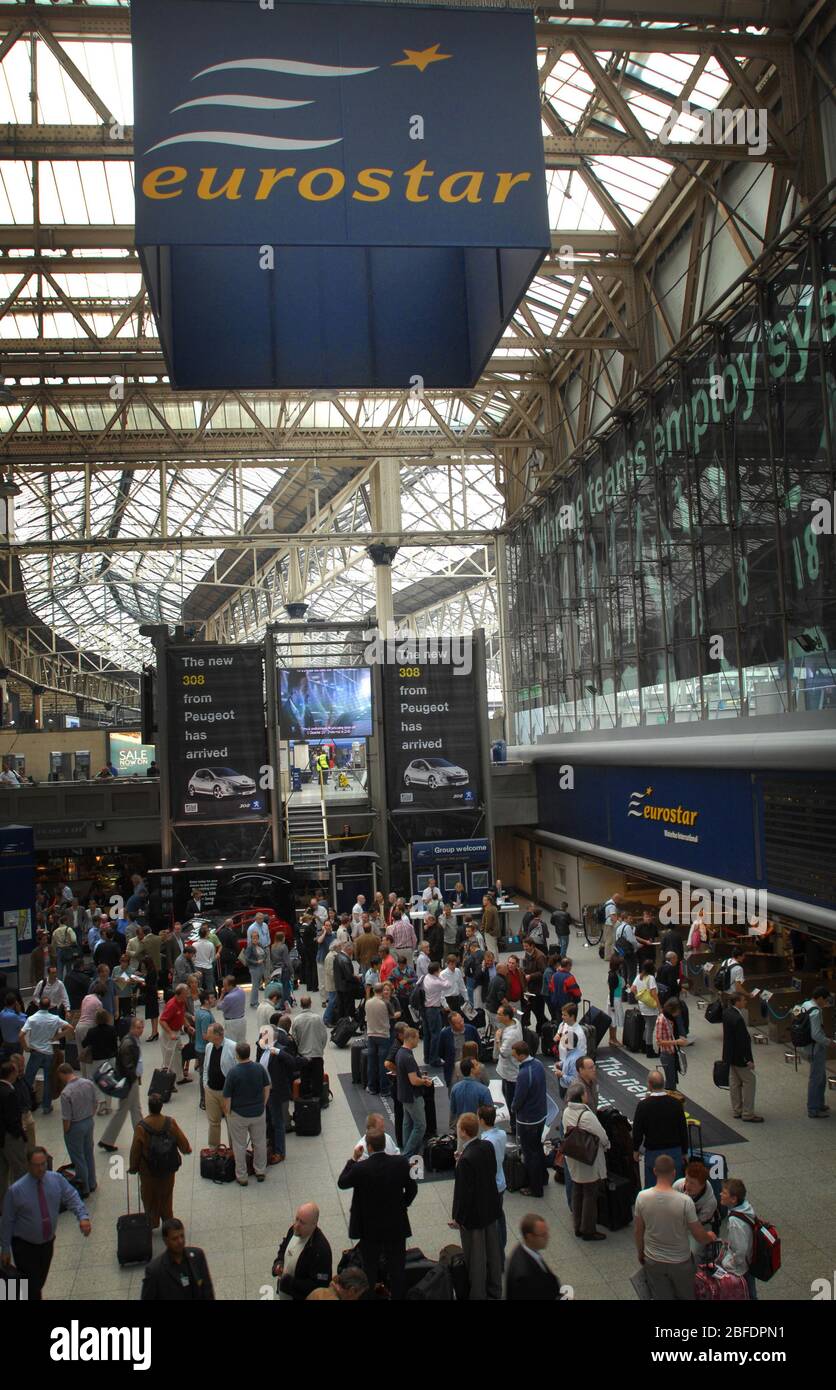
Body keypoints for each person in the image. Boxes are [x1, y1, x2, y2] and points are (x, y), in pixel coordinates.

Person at [0, 1146, 91, 1299]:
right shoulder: (16, 1191)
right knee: (33, 1286)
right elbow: (7, 1220)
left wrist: (83, 1217)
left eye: (43, 1164)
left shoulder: (56, 1179)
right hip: (24, 1245)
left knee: (38, 1282)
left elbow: (72, 1196)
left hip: (47, 1243)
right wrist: (5, 1248)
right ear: (28, 1165)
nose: (41, 1168)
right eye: (36, 1165)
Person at [337, 1130, 418, 1300]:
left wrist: (353, 1159)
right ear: (385, 1145)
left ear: (369, 1147)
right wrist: (403, 1204)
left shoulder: (360, 1168)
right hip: (396, 1227)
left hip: (369, 1230)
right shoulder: (400, 1163)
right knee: (397, 1270)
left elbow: (342, 1182)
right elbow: (412, 1188)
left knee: (369, 1272)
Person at [634, 1153, 714, 1299]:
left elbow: (638, 1231)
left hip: (653, 1260)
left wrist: (641, 1253)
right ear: (674, 1172)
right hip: (680, 1262)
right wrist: (709, 1236)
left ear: (654, 1171)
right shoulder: (685, 1202)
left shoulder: (642, 1197)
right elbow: (697, 1235)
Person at [451, 1112, 502, 1300]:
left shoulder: (465, 1161)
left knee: (476, 1259)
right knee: (493, 1253)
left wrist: (458, 1218)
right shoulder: (487, 1146)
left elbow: (463, 1194)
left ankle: (478, 1295)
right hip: (491, 1207)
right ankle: (495, 1290)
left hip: (474, 1217)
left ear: (464, 1132)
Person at [129, 1091, 191, 1229]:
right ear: (161, 1106)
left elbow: (135, 1150)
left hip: (148, 1171)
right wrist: (186, 1149)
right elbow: (183, 1143)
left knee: (149, 1196)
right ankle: (168, 1220)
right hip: (168, 1168)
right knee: (166, 1195)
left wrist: (133, 1167)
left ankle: (151, 1221)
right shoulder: (170, 1122)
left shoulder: (141, 1127)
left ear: (149, 1107)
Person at [561, 1080, 610, 1240]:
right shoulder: (586, 1115)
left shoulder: (567, 1112)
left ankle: (578, 1225)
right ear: (582, 1097)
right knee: (590, 1193)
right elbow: (601, 1135)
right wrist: (607, 1145)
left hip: (574, 1157)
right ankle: (588, 1229)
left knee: (577, 1191)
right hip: (588, 1158)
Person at [632, 1071, 689, 1186]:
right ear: (663, 1083)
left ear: (649, 1084)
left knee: (653, 1187)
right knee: (676, 1186)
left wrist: (636, 1149)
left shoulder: (643, 1106)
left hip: (653, 1153)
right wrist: (684, 1151)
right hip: (675, 1152)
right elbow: (683, 1129)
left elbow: (637, 1130)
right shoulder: (676, 1104)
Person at [98, 1017, 145, 1152]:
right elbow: (126, 1065)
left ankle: (141, 1138)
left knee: (134, 1109)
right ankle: (108, 1139)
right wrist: (132, 1078)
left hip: (130, 1080)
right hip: (129, 1082)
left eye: (142, 1027)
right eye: (138, 1027)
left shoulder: (131, 1041)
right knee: (127, 1110)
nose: (141, 1030)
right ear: (131, 1028)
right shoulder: (128, 1043)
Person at [21, 998, 74, 1115]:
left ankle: (26, 1104)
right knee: (48, 1079)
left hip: (35, 1051)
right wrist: (57, 1037)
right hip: (49, 1052)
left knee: (28, 1078)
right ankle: (46, 1106)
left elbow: (21, 1034)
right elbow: (70, 1028)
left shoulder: (32, 1018)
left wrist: (26, 1048)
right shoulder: (54, 1018)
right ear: (50, 1007)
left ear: (39, 1006)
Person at [140, 1218, 215, 1300]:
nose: (180, 1241)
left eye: (182, 1236)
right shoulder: (155, 1270)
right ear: (165, 1240)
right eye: (175, 1239)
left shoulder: (197, 1256)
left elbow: (207, 1290)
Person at [272, 1203, 333, 1301]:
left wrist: (289, 1282)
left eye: (302, 1222)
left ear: (314, 1224)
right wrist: (279, 1263)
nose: (296, 1225)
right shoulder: (294, 1230)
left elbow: (319, 1285)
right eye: (297, 1219)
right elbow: (284, 1247)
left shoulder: (321, 1251)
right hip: (285, 1292)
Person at [511, 1041, 548, 1198]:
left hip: (528, 1120)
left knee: (530, 1153)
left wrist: (513, 1107)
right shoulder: (538, 1064)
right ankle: (543, 1177)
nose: (513, 1057)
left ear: (521, 1055)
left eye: (514, 1054)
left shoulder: (524, 1074)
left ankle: (535, 1188)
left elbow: (519, 1098)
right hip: (540, 1114)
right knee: (538, 1148)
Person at [722, 989, 763, 1122]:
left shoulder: (727, 1013)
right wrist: (748, 1060)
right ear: (738, 1002)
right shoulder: (738, 1018)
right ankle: (748, 1113)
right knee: (749, 1081)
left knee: (734, 1082)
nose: (745, 1002)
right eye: (743, 1000)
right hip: (740, 1057)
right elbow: (742, 1042)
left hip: (730, 1054)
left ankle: (737, 1109)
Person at [57, 1062, 98, 1197]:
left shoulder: (65, 1093)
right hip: (88, 1121)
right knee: (88, 1153)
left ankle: (84, 1187)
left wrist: (66, 1132)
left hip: (75, 1126)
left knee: (78, 1157)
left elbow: (66, 1118)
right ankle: (92, 1183)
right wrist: (89, 1116)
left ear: (62, 1075)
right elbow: (95, 1104)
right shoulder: (88, 1083)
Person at [260, 1027, 299, 1164]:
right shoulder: (263, 1049)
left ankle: (280, 1152)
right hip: (266, 1091)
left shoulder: (281, 1049)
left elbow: (292, 1062)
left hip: (276, 1091)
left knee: (277, 1122)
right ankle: (271, 1146)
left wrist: (278, 1052)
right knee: (269, 1120)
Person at [716, 1177, 758, 1299]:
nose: (720, 1194)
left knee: (746, 1294)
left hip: (741, 1268)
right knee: (751, 1292)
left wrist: (728, 1264)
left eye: (724, 1193)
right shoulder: (745, 1208)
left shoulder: (735, 1222)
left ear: (733, 1199)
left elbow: (740, 1251)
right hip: (749, 1262)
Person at [395, 1027, 433, 1159]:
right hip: (413, 1096)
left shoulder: (400, 1053)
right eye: (417, 1038)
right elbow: (414, 1081)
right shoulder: (408, 1057)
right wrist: (425, 1081)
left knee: (408, 1123)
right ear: (410, 1038)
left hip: (404, 1094)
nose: (418, 1040)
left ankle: (407, 1149)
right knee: (420, 1126)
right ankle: (407, 1154)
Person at [505, 1214, 562, 1301]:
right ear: (530, 1237)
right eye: (543, 1235)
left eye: (547, 1232)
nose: (547, 1237)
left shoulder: (522, 1249)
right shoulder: (525, 1277)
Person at [477, 1104, 507, 1264]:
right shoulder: (502, 1134)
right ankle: (501, 1250)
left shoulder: (486, 1142)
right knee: (500, 1218)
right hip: (501, 1182)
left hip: (492, 1185)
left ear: (481, 1120)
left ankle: (497, 1258)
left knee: (493, 1223)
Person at [797, 984, 833, 1118]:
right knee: (816, 1078)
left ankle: (820, 1103)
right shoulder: (816, 1012)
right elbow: (816, 1035)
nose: (826, 1003)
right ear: (819, 999)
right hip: (815, 1048)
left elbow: (794, 1013)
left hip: (806, 1046)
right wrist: (830, 1042)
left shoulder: (805, 1004)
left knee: (821, 1077)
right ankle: (813, 1108)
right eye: (825, 1000)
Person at [673, 1159, 718, 1260]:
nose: (687, 1185)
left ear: (702, 1185)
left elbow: (696, 1225)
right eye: (687, 1180)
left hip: (700, 1226)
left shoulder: (710, 1202)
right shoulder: (677, 1186)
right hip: (679, 1222)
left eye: (692, 1183)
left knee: (690, 1254)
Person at [0, 1059, 28, 1200]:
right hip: (10, 1136)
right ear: (11, 1074)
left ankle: (4, 1205)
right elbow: (12, 1118)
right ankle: (19, 1201)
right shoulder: (9, 1093)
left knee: (3, 1172)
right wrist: (20, 1133)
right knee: (19, 1168)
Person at [494, 1003, 523, 1132]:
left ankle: (515, 1126)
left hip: (511, 1073)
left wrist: (497, 1039)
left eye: (499, 1014)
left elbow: (504, 1053)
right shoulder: (515, 1021)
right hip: (509, 1071)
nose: (497, 1016)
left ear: (506, 1017)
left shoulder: (511, 1035)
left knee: (511, 1101)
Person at [159, 984, 194, 1085]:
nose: (187, 995)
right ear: (179, 994)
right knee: (169, 1058)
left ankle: (179, 1078)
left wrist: (188, 1026)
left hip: (176, 1032)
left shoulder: (182, 1002)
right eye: (186, 993)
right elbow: (162, 1021)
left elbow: (182, 1016)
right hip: (169, 1033)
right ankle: (168, 1083)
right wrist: (170, 1033)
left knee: (178, 1056)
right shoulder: (172, 1005)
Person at [438, 1011, 479, 1090]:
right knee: (453, 1092)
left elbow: (478, 1047)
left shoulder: (471, 1030)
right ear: (451, 1025)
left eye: (462, 1020)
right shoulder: (444, 1034)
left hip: (471, 1068)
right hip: (453, 1070)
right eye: (458, 1022)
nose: (461, 1023)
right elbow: (441, 1052)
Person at [553, 1001, 586, 1097]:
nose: (562, 1017)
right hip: (562, 1063)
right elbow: (559, 1032)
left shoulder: (579, 1034)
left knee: (570, 1094)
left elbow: (582, 1054)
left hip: (571, 1069)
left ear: (572, 1016)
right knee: (562, 1092)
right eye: (562, 1014)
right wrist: (557, 1036)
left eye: (565, 1015)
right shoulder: (563, 1024)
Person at [655, 999, 687, 1091]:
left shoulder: (669, 1018)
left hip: (672, 1052)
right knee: (670, 1081)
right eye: (677, 1011)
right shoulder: (662, 1020)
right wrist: (677, 1042)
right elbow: (659, 1041)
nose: (678, 1013)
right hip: (666, 1054)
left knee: (672, 1079)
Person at [631, 959, 661, 1058]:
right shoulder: (650, 978)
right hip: (650, 1006)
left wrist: (637, 996)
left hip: (642, 1005)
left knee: (647, 1026)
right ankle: (649, 1050)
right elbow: (653, 993)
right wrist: (659, 1006)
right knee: (650, 1028)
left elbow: (633, 988)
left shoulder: (638, 977)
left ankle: (644, 1046)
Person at [449, 1059, 492, 1126]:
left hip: (461, 1126)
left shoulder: (455, 1088)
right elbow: (489, 1113)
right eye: (477, 1065)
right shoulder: (484, 1090)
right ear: (472, 1070)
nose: (480, 1066)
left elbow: (453, 1110)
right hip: (477, 1127)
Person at [421, 962, 448, 1066]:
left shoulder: (425, 977)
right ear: (436, 971)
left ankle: (427, 1058)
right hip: (433, 1010)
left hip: (425, 1009)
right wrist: (441, 977)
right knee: (436, 1034)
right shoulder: (436, 982)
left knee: (427, 1034)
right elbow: (448, 985)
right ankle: (434, 1059)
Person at [218, 975, 246, 1045]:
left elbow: (218, 1006)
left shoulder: (228, 997)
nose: (223, 987)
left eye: (225, 985)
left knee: (231, 1044)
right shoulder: (241, 991)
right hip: (242, 1020)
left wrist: (222, 994)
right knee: (241, 1042)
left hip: (231, 1023)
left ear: (230, 985)